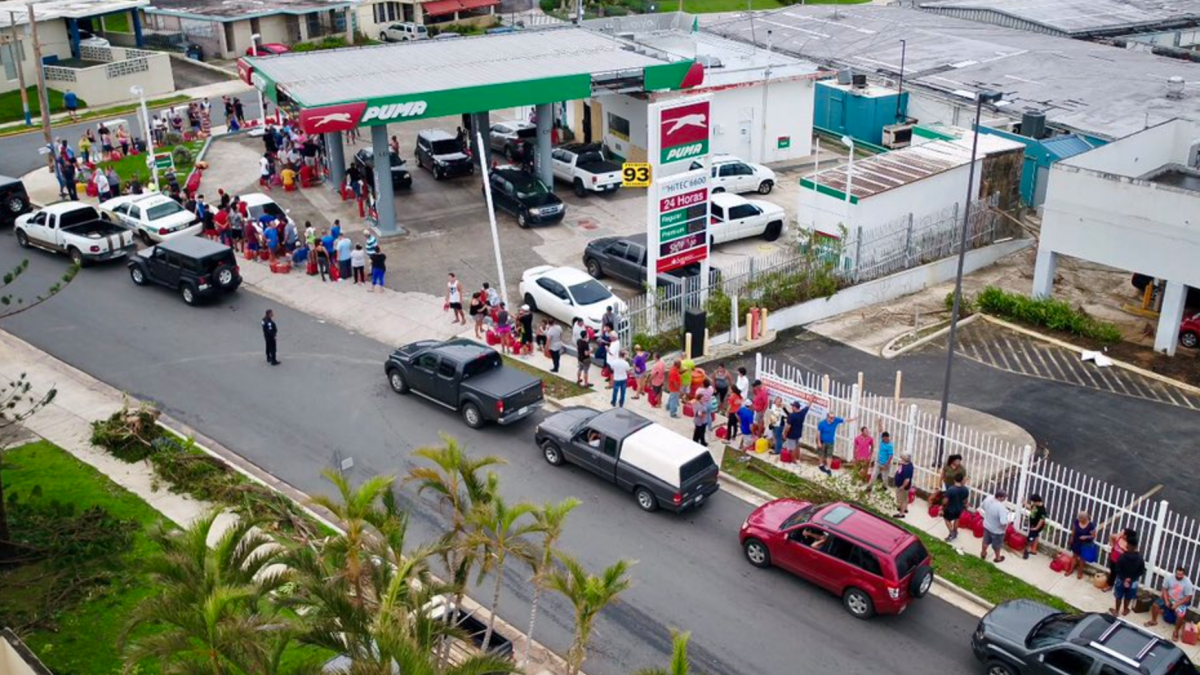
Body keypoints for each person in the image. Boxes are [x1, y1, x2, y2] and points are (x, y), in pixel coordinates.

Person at [1147, 566, 1195, 641]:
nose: (1179, 576)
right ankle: (1153, 621)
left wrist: (1177, 604)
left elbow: (1187, 598)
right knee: (1155, 605)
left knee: (1180, 615)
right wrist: (1166, 601)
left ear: (1184, 574)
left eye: (1181, 575)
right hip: (1169, 598)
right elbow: (1164, 589)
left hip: (1180, 601)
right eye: (1177, 574)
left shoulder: (1188, 583)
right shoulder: (1169, 577)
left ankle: (1176, 632)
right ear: (1175, 573)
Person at [1111, 532, 1144, 617]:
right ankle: (1125, 610)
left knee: (1119, 595)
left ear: (1127, 545)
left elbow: (1117, 569)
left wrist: (1124, 578)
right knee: (1128, 596)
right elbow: (1141, 571)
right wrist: (1131, 578)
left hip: (1121, 580)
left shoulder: (1122, 557)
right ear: (1136, 546)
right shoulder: (1140, 559)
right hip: (1133, 581)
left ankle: (1116, 611)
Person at [980, 489, 1010, 563]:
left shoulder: (988, 498)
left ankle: (983, 553)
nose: (1004, 499)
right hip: (997, 531)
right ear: (1000, 497)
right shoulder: (1001, 507)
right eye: (1004, 497)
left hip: (987, 526)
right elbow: (1003, 522)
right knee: (997, 545)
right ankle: (998, 558)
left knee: (985, 542)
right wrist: (1004, 528)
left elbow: (982, 506)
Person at [1068, 511, 1097, 579]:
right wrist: (1071, 538)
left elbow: (1093, 536)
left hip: (1085, 544)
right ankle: (1071, 569)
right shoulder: (1077, 521)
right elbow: (1073, 530)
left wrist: (1086, 537)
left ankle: (1080, 572)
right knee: (1074, 556)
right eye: (1079, 518)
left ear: (1085, 519)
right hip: (1076, 542)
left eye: (1081, 519)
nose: (1079, 520)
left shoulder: (1090, 526)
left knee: (1082, 559)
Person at [1105, 527, 1134, 593]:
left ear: (1126, 536)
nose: (1121, 533)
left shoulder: (1129, 544)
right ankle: (1110, 586)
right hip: (1113, 559)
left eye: (1123, 533)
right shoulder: (1118, 538)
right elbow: (1111, 536)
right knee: (1112, 573)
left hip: (1122, 562)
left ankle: (1123, 589)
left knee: (1122, 576)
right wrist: (1112, 545)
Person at [942, 474, 970, 542]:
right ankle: (955, 531)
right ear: (962, 480)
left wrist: (942, 507)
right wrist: (965, 506)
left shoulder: (951, 489)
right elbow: (965, 501)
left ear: (954, 480)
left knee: (947, 519)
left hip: (950, 509)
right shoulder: (965, 489)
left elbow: (945, 501)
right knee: (957, 519)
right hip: (959, 509)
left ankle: (951, 533)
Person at [1023, 494, 1047, 560]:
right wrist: (1025, 503)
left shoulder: (1042, 510)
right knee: (1036, 535)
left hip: (1036, 526)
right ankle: (1034, 550)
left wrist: (1036, 528)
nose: (1032, 503)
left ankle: (1027, 550)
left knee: (1030, 538)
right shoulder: (1036, 505)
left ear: (1037, 501)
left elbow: (1041, 520)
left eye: (1033, 501)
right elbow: (1031, 508)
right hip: (1033, 525)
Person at [893, 452, 914, 519]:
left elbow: (907, 480)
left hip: (903, 487)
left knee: (902, 500)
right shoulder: (906, 464)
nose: (899, 459)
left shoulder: (907, 469)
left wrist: (902, 486)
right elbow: (900, 469)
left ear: (904, 460)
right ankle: (905, 509)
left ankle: (901, 514)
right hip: (902, 485)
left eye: (901, 458)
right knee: (905, 498)